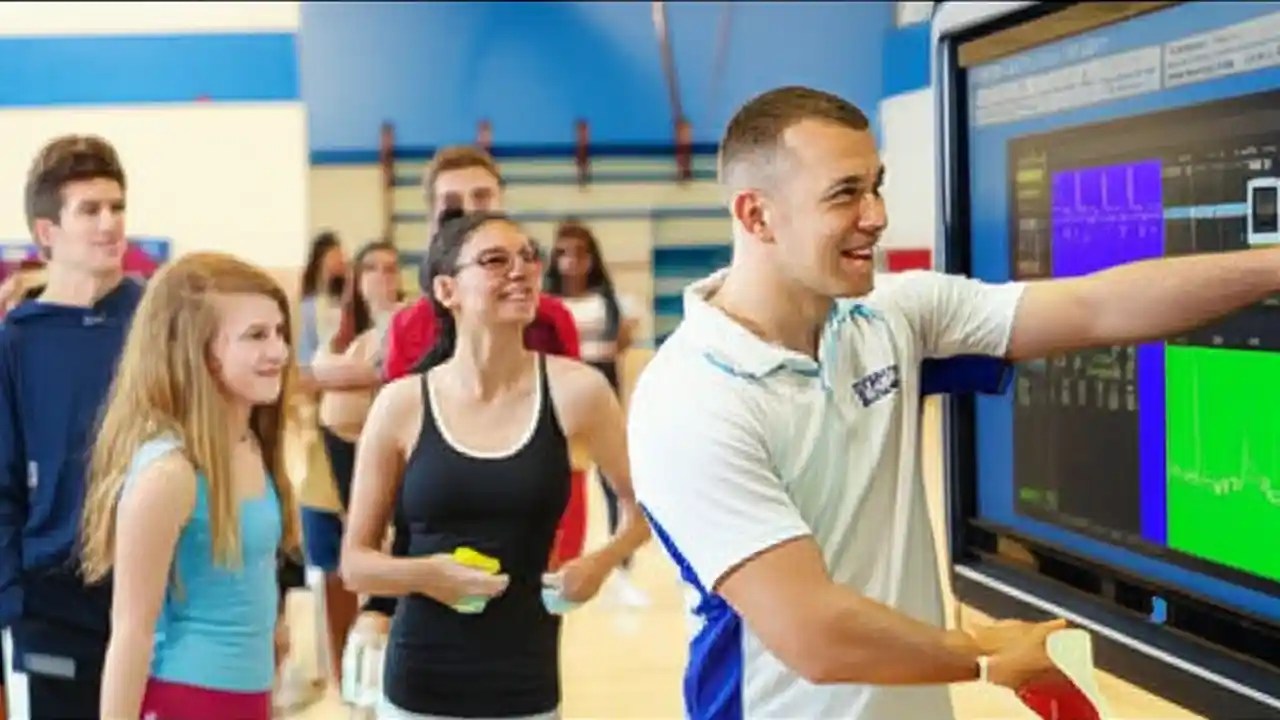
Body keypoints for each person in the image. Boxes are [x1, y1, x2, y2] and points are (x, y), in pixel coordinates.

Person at [627, 84, 1280, 719]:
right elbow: (815, 634)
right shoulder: (692, 399)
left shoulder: (891, 315)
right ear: (756, 215)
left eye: (876, 184)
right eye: (845, 194)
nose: (877, 215)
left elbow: (1096, 304)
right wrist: (986, 657)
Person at [341, 209, 649, 719]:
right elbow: (355, 563)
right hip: (420, 684)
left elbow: (646, 507)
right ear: (447, 289)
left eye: (528, 257)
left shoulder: (578, 392)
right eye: (494, 260)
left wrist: (599, 563)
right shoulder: (402, 404)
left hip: (525, 686)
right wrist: (427, 575)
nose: (520, 270)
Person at [357, 146, 588, 638]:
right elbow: (394, 463)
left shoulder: (550, 321)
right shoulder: (408, 328)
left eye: (482, 195)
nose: (470, 207)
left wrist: (569, 548)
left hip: (527, 542)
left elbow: (568, 443)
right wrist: (387, 585)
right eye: (453, 200)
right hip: (432, 543)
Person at [79, 252, 301, 720]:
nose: (279, 351)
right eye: (257, 336)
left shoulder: (251, 446)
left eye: (280, 332)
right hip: (187, 696)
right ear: (198, 351)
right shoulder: (170, 474)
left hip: (249, 694)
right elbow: (131, 632)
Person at [0, 134, 143, 719]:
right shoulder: (18, 341)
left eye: (117, 207)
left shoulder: (157, 324)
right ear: (46, 233)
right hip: (54, 606)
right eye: (89, 209)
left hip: (160, 594)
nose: (110, 222)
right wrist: (14, 601)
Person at [544, 219, 649, 607]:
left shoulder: (612, 302)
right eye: (564, 253)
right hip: (557, 406)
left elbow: (621, 347)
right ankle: (555, 561)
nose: (572, 262)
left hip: (602, 402)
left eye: (580, 253)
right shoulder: (546, 305)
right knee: (560, 490)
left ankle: (621, 568)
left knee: (616, 488)